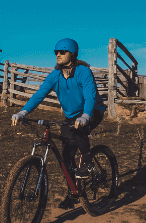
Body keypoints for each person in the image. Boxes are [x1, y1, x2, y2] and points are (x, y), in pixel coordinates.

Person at [11, 38, 106, 209]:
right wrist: (23, 112)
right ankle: (73, 194)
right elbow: (39, 94)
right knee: (67, 155)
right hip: (71, 116)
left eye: (62, 52)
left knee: (79, 132)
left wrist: (85, 116)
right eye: (56, 52)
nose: (58, 55)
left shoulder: (83, 72)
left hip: (92, 110)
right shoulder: (55, 75)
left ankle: (88, 163)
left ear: (73, 54)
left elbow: (90, 96)